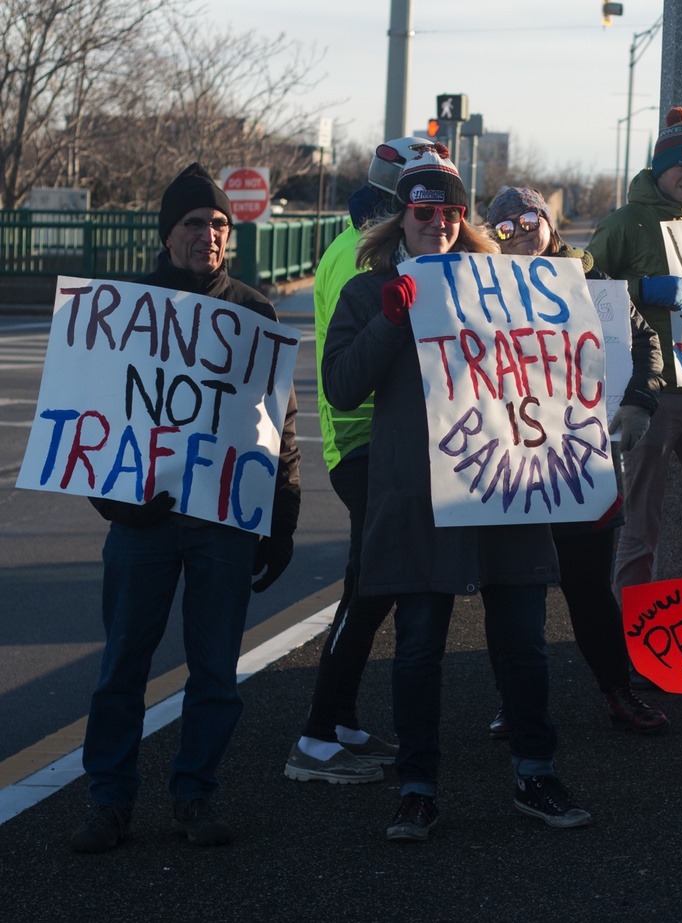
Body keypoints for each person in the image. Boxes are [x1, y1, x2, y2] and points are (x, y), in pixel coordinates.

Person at [322, 147, 590, 842]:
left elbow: (564, 359)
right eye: (423, 211)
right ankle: (417, 787)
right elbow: (342, 385)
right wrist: (389, 319)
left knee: (523, 643)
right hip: (420, 494)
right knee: (416, 646)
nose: (438, 223)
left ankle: (536, 771)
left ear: (464, 218)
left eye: (450, 212)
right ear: (402, 217)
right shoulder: (365, 291)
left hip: (504, 485)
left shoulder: (507, 285)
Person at [69, 163, 301, 853]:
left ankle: (194, 795)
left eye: (220, 224)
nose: (210, 235)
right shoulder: (127, 307)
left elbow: (278, 425)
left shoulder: (255, 312)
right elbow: (92, 415)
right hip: (142, 525)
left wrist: (281, 519)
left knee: (215, 673)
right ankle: (109, 802)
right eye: (196, 223)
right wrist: (117, 503)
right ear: (168, 233)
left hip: (224, 523)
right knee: (121, 671)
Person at [482, 187, 667, 736]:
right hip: (510, 464)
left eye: (528, 218)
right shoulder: (479, 292)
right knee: (516, 596)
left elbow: (645, 342)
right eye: (504, 226)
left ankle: (618, 692)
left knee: (588, 590)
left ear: (549, 221)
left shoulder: (595, 288)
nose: (518, 230)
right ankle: (512, 702)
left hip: (581, 462)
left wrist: (639, 402)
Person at [283, 138, 434, 786]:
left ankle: (339, 721)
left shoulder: (357, 243)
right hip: (365, 440)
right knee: (371, 588)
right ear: (401, 198)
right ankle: (316, 736)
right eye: (422, 197)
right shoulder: (367, 258)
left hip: (375, 440)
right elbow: (361, 361)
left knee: (368, 584)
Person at [586, 106, 682, 601]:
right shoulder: (625, 224)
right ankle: (632, 638)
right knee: (639, 524)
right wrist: (643, 288)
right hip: (652, 396)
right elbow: (584, 290)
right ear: (659, 168)